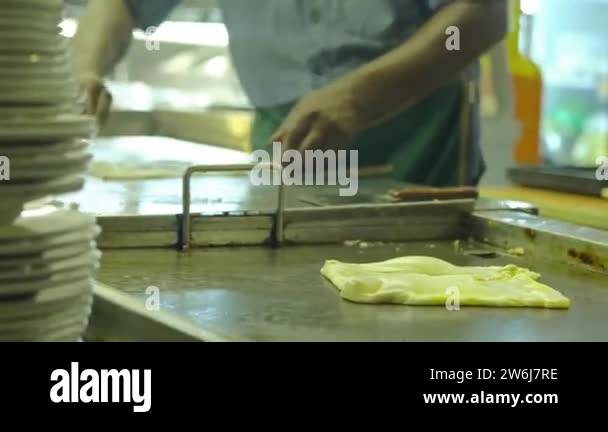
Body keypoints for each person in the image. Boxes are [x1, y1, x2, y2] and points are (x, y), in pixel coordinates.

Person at [73, 0, 507, 186]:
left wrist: (361, 96)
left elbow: (484, 15)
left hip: (419, 141)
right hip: (285, 143)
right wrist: (84, 69)